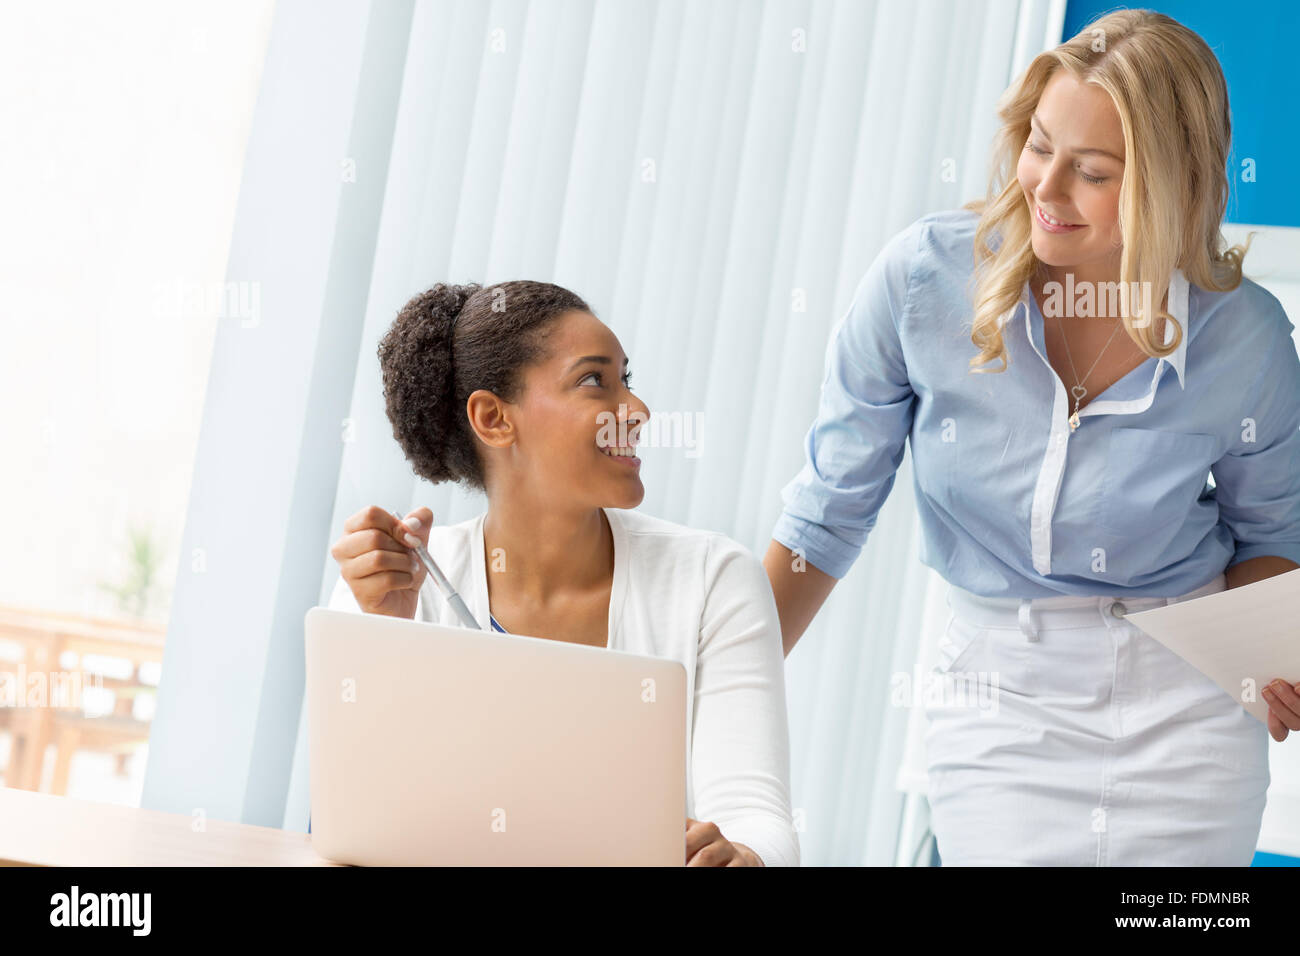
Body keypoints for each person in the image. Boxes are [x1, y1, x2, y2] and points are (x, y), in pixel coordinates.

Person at [762, 9, 1300, 865]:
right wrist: (718, 686)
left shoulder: (1248, 337)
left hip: (1187, 700)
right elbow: (827, 516)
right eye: (1039, 144)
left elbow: (1271, 538)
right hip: (1001, 686)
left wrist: (1270, 658)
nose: (1045, 189)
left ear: (1174, 182)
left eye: (1092, 172)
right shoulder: (922, 281)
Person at [328, 280, 798, 866]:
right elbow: (352, 828)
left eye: (626, 380)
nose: (638, 410)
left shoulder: (712, 580)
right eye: (594, 381)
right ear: (494, 418)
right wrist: (388, 634)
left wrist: (747, 858)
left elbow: (756, 815)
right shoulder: (399, 586)